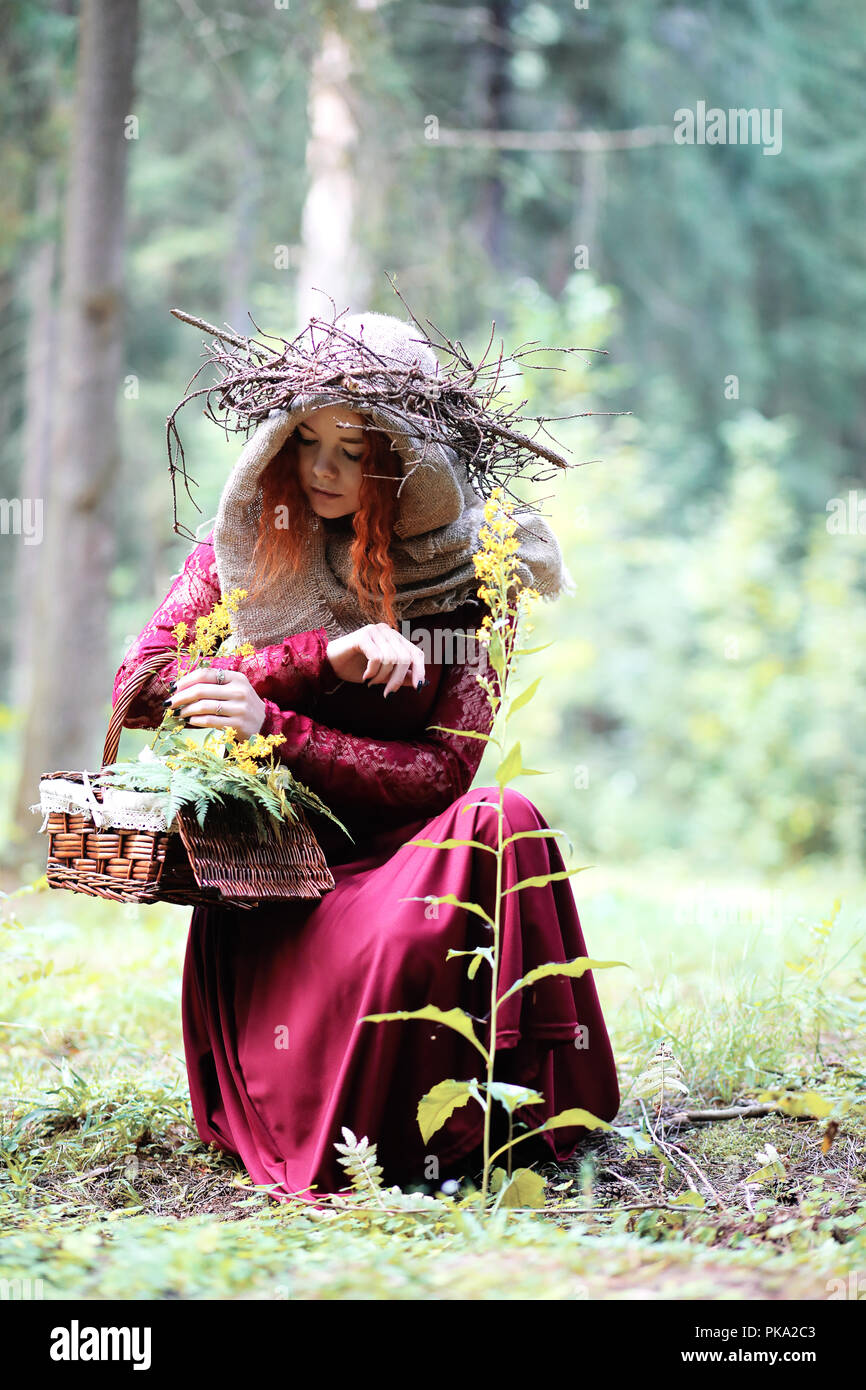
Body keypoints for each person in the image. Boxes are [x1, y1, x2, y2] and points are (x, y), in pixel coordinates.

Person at [113, 310, 620, 1203]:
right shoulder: (239, 549)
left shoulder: (477, 571)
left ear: (405, 457)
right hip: (285, 884)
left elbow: (443, 772)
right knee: (474, 840)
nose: (322, 470)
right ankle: (376, 1127)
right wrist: (299, 667)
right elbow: (140, 688)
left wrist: (281, 729)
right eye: (304, 440)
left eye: (355, 449)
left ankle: (510, 1117)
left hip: (417, 868)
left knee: (506, 815)